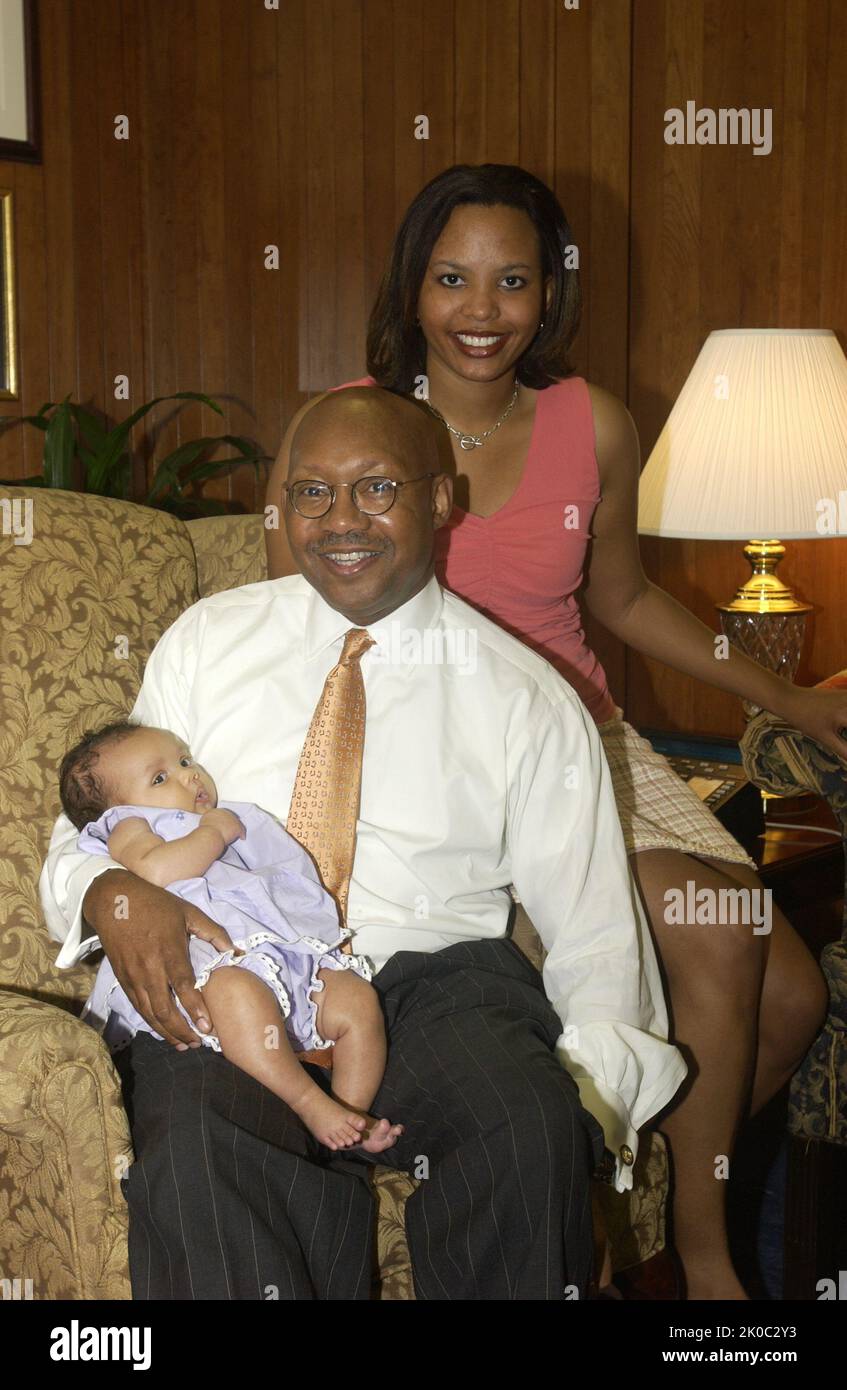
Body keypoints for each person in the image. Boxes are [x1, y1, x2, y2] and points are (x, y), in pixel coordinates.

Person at [264, 163, 845, 1300]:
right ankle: (702, 1259)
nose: (481, 311)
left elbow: (622, 601)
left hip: (592, 736)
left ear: (549, 293)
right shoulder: (351, 429)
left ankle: (623, 1192)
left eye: (512, 281)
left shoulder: (594, 425)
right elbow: (292, 621)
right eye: (452, 280)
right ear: (412, 288)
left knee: (792, 998)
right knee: (717, 938)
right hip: (450, 754)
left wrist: (787, 701)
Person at [41, 386, 686, 1302]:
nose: (340, 520)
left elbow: (592, 934)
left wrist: (590, 1137)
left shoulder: (523, 697)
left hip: (435, 982)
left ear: (438, 500)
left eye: (375, 488)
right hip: (237, 971)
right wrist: (112, 895)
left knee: (521, 1122)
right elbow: (94, 831)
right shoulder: (207, 643)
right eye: (311, 493)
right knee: (196, 1147)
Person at [59, 721, 402, 1154]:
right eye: (160, 777)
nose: (190, 775)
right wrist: (213, 833)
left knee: (356, 999)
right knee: (238, 992)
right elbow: (156, 872)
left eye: (185, 760)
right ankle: (309, 1103)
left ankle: (351, 1111)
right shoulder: (132, 825)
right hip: (204, 965)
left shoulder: (233, 817)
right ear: (113, 810)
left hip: (274, 956)